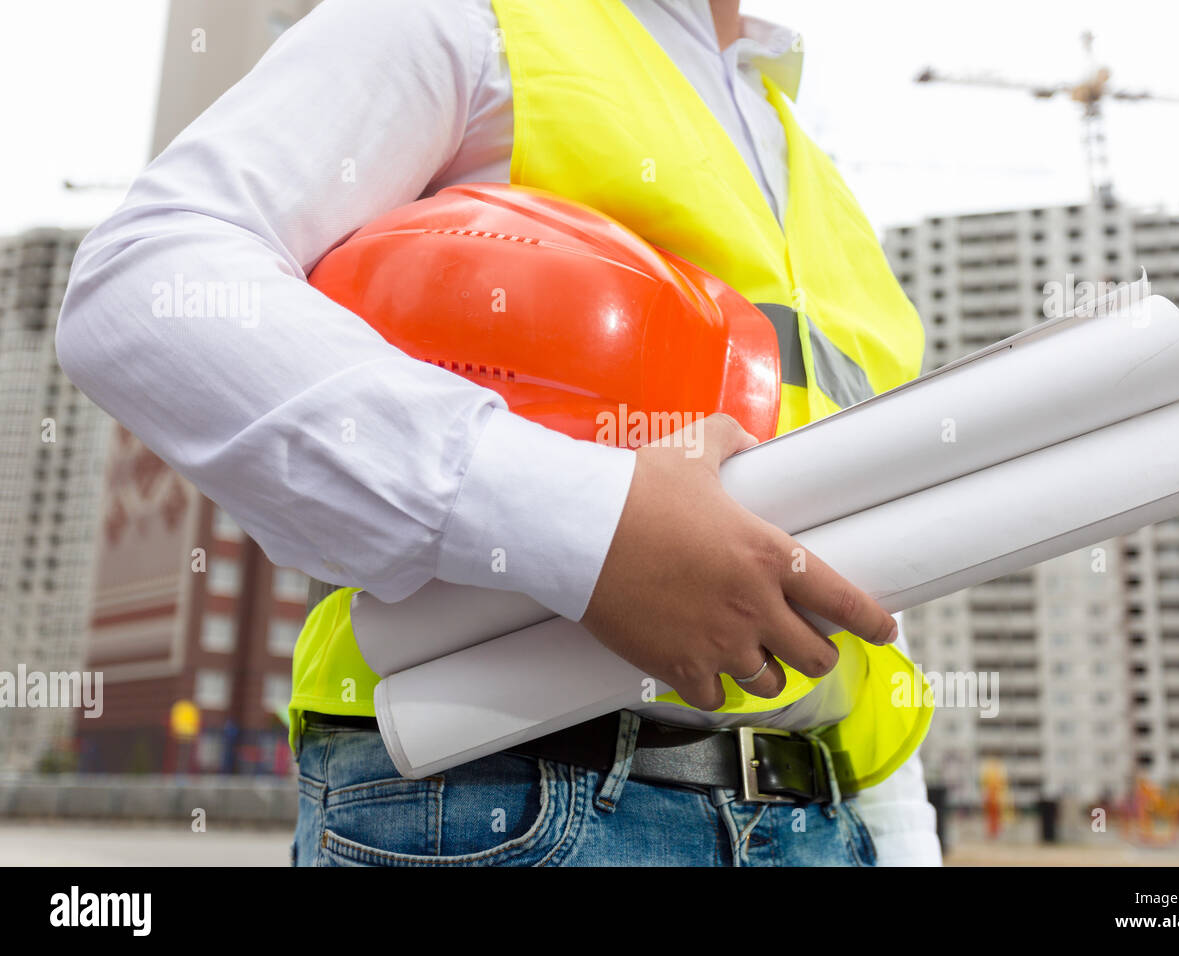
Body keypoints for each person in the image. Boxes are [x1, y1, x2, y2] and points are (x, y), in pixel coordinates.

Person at [57, 0, 942, 866]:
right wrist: (591, 527)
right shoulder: (475, 18)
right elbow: (151, 274)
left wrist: (900, 840)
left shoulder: (821, 184)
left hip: (826, 814)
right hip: (506, 799)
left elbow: (864, 590)